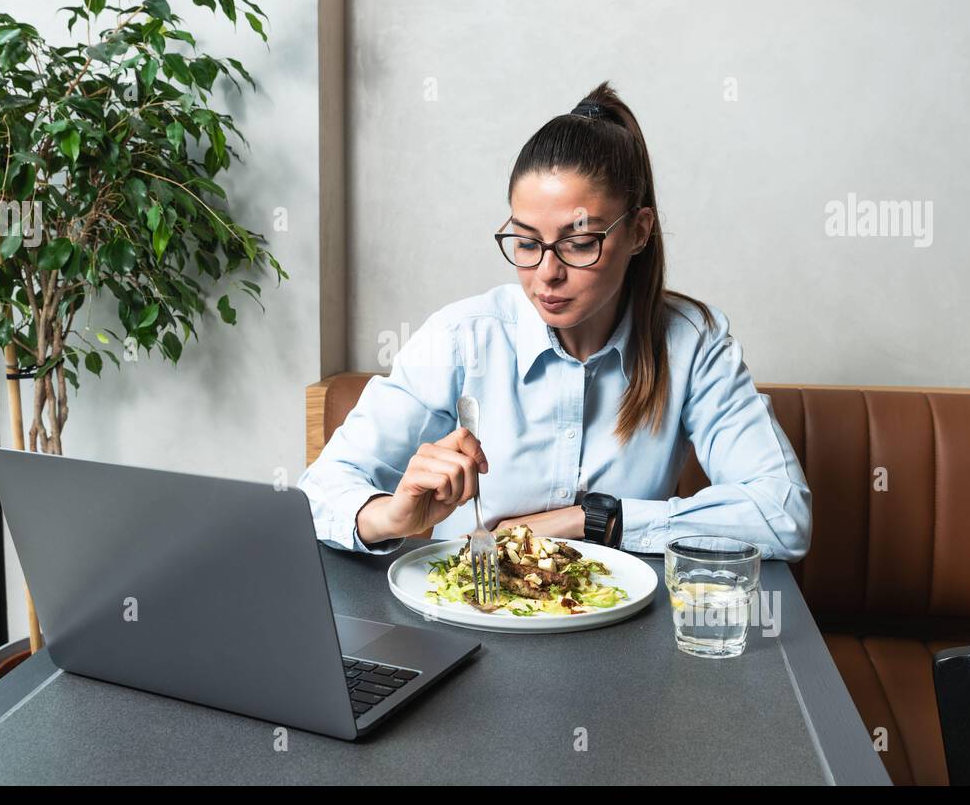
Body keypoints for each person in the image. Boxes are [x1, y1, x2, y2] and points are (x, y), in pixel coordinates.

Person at [299, 81, 811, 560]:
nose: (547, 273)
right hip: (473, 613)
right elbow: (319, 491)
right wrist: (389, 515)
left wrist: (588, 520)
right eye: (525, 242)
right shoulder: (462, 338)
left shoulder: (693, 343)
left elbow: (782, 515)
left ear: (638, 231)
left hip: (616, 626)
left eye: (580, 242)